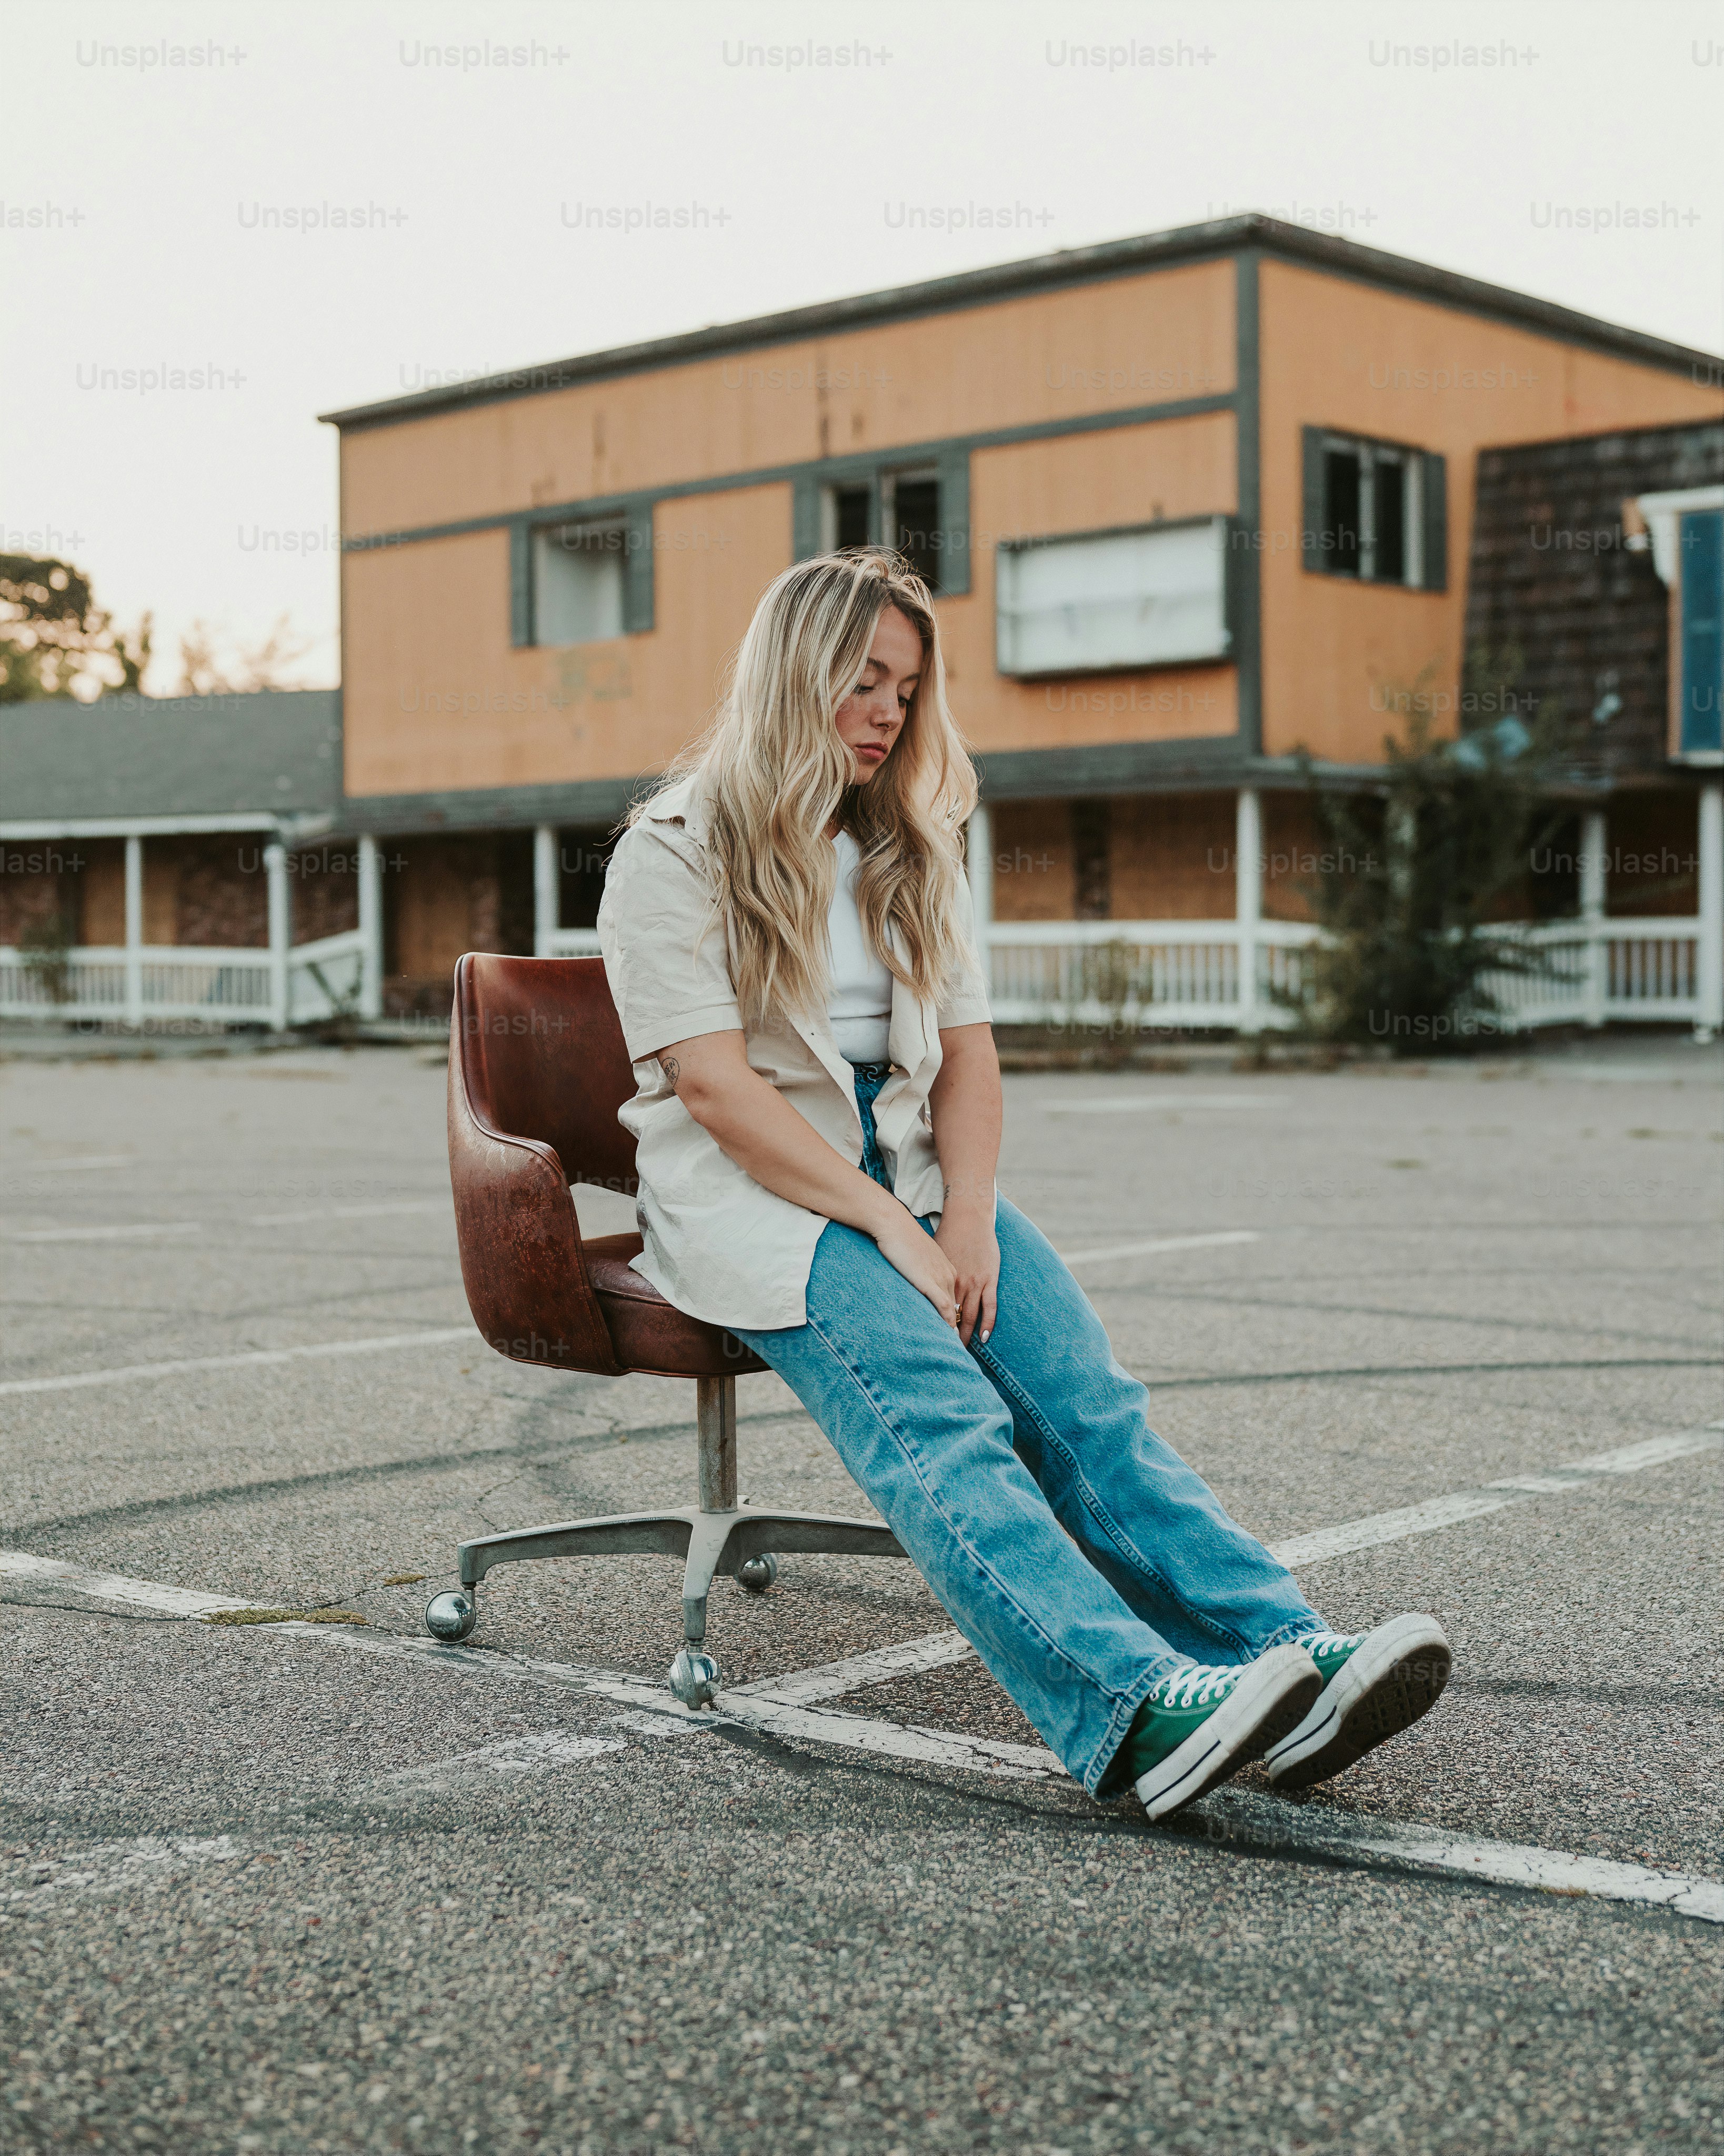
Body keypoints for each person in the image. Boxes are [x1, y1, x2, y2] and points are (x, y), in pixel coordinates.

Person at [596, 549, 1450, 1820]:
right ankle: (1129, 1708)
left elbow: (972, 1059)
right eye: (865, 678)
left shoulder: (909, 846)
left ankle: (1289, 1653)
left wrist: (974, 1218)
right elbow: (719, 1092)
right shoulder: (668, 851)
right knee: (950, 1420)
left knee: (1089, 1408)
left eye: (908, 684)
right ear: (796, 672)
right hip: (758, 1196)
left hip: (920, 1176)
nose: (891, 708)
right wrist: (891, 1221)